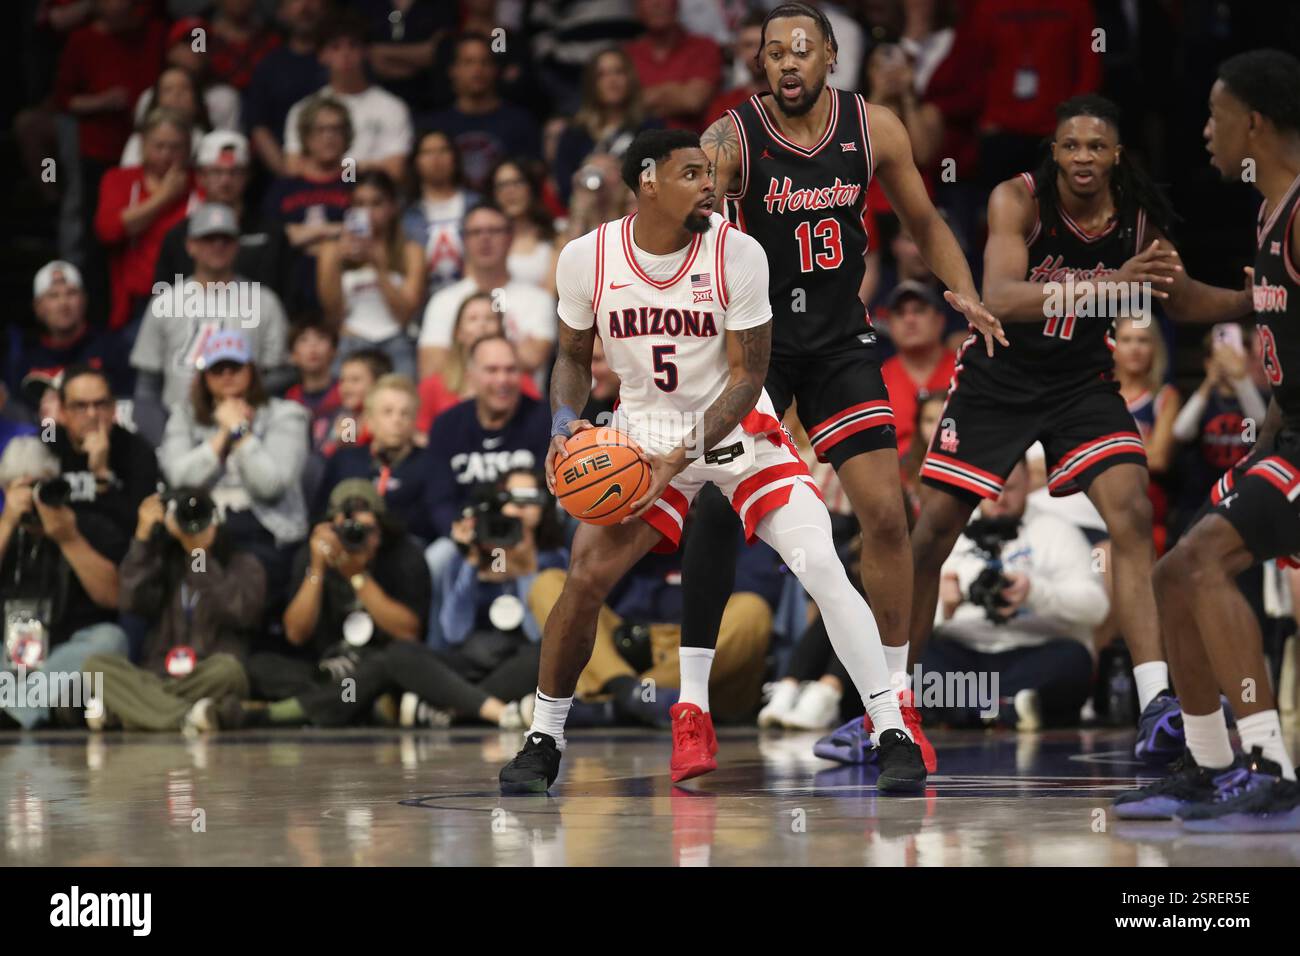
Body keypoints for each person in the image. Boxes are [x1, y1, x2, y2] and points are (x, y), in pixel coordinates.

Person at [497, 128, 927, 794]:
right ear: (648, 182)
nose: (710, 185)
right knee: (583, 577)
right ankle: (543, 739)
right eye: (691, 173)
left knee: (820, 563)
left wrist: (682, 457)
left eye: (710, 172)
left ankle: (890, 728)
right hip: (640, 436)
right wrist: (564, 425)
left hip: (736, 434)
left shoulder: (739, 253)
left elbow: (749, 376)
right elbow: (574, 361)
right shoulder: (586, 257)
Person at [687, 1, 1006, 774]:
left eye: (803, 50)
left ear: (833, 56)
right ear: (758, 65)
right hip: (753, 349)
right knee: (715, 503)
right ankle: (691, 706)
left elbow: (925, 222)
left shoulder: (875, 128)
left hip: (836, 342)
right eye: (773, 53)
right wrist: (690, 195)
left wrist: (963, 289)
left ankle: (892, 709)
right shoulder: (732, 136)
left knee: (887, 515)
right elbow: (681, 203)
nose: (788, 63)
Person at [910, 93, 1255, 768]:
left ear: (1116, 154)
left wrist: (1245, 301)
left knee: (1130, 512)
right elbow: (1002, 295)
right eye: (1071, 146)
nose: (1083, 159)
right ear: (1055, 152)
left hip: (1078, 384)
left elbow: (1176, 296)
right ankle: (890, 707)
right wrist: (1110, 287)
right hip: (997, 381)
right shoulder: (1019, 199)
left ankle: (1159, 704)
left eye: (1097, 147)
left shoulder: (1136, 217)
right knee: (931, 534)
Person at [1114, 50, 1300, 831]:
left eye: (1215, 117)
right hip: (1288, 436)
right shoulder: (1270, 210)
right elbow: (1278, 304)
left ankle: (1269, 766)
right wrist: (1193, 300)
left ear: (1253, 123)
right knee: (1171, 575)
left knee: (1201, 561)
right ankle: (1210, 762)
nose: (1204, 133)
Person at [923, 461, 1106, 728]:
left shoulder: (1056, 530)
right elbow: (910, 620)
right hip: (964, 654)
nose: (999, 498)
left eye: (1009, 488)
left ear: (1029, 482)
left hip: (1032, 654)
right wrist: (942, 607)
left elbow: (1096, 607)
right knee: (915, 657)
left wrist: (1034, 592)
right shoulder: (950, 533)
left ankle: (971, 709)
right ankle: (1007, 707)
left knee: (1075, 659)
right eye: (990, 489)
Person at [82, 490, 263, 733]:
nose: (193, 526)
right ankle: (188, 716)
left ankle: (127, 711)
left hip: (208, 672)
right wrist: (143, 538)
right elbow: (130, 600)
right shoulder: (163, 561)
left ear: (217, 522)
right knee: (95, 666)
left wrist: (198, 553)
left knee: (229, 670)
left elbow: (237, 611)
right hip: (159, 673)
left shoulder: (243, 564)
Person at [242, 480, 429, 712]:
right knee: (259, 666)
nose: (355, 537)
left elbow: (408, 632)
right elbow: (296, 634)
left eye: (365, 530)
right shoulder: (314, 556)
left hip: (378, 663)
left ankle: (295, 711)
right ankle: (356, 705)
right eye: (346, 530)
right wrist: (317, 569)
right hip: (325, 668)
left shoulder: (403, 555)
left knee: (394, 664)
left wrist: (357, 576)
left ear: (381, 530)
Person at [157, 330, 309, 611]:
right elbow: (179, 479)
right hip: (201, 526)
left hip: (263, 531)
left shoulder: (286, 415)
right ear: (204, 378)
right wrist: (221, 437)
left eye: (235, 367)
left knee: (241, 586)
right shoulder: (185, 417)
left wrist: (241, 433)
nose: (227, 375)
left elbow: (270, 486)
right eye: (217, 369)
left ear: (251, 370)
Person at [131, 202, 289, 446]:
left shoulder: (264, 301)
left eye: (226, 239)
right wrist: (162, 442)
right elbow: (147, 387)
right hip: (180, 431)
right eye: (208, 238)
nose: (218, 246)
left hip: (248, 430)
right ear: (190, 245)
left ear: (237, 245)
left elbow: (278, 376)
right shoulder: (165, 302)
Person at [0, 436, 129, 730]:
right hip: (9, 659)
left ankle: (14, 712)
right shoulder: (3, 528)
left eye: (40, 486)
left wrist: (68, 539)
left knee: (111, 640)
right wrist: (7, 523)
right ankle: (32, 708)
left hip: (65, 656)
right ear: (6, 491)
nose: (33, 498)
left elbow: (112, 597)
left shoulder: (86, 525)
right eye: (23, 488)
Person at [425, 336, 550, 540]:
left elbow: (553, 497)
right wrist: (459, 531)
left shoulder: (545, 420)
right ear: (470, 376)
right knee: (437, 558)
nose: (502, 380)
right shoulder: (446, 425)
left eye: (510, 370)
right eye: (492, 370)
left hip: (534, 538)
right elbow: (439, 499)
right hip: (466, 537)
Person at [416, 203, 557, 381]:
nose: (485, 238)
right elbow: (430, 369)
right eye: (476, 232)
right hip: (457, 404)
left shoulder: (539, 300)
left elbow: (534, 358)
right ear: (464, 241)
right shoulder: (442, 301)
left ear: (510, 238)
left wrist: (466, 345)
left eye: (494, 230)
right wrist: (514, 346)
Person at [94, 107, 200, 334]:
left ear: (189, 148)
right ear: (142, 145)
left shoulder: (200, 183)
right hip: (138, 302)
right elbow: (108, 230)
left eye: (175, 147)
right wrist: (164, 196)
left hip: (193, 300)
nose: (166, 155)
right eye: (158, 146)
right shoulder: (119, 180)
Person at [153, 131, 292, 301]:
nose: (225, 181)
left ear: (247, 177)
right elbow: (162, 302)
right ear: (200, 177)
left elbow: (286, 300)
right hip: (190, 323)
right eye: (216, 172)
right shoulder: (179, 236)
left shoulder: (272, 233)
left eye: (235, 172)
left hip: (257, 321)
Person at [316, 171, 425, 380]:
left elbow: (405, 314)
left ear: (392, 207)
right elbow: (332, 313)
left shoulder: (411, 251)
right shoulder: (332, 250)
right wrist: (336, 260)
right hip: (351, 341)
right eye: (360, 204)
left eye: (377, 203)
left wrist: (378, 267)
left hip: (396, 341)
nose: (368, 211)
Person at [282, 12, 412, 183]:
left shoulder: (392, 107)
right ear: (322, 55)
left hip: (373, 199)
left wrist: (338, 169)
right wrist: (358, 168)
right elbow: (293, 168)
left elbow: (395, 171)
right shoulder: (304, 110)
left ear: (366, 52)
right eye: (335, 47)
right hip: (319, 199)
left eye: (353, 46)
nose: (345, 54)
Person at [261, 95, 356, 311]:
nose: (328, 137)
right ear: (306, 136)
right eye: (320, 130)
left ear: (347, 135)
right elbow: (276, 238)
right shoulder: (285, 187)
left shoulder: (353, 183)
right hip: (290, 291)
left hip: (344, 294)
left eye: (336, 129)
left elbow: (360, 234)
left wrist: (305, 236)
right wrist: (333, 231)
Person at [315, 374, 435, 542]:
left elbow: (435, 523)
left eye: (405, 413)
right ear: (369, 420)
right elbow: (320, 516)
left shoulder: (431, 464)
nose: (397, 420)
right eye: (388, 412)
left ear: (415, 420)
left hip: (406, 551)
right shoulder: (344, 461)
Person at [419, 32, 542, 192]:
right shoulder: (434, 126)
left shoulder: (520, 122)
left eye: (485, 62)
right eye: (468, 62)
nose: (477, 70)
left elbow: (535, 173)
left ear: (495, 70)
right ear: (453, 70)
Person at [51, 364, 159, 540]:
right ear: (62, 412)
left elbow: (141, 528)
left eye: (100, 404)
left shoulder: (137, 451)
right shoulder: (48, 445)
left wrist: (101, 474)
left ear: (114, 408)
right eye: (80, 406)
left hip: (118, 557)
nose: (92, 414)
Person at [6, 261, 128, 407]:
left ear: (84, 300)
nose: (63, 303)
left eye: (71, 293)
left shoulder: (112, 349)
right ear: (37, 307)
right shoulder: (25, 362)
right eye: (53, 296)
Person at [553, 47, 660, 207]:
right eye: (602, 75)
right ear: (592, 83)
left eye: (618, 72)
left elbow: (661, 181)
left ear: (629, 78)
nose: (612, 80)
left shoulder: (651, 129)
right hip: (590, 217)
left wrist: (618, 172)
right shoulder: (574, 134)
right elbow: (565, 191)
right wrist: (587, 171)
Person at [244, 0, 329, 178]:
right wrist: (287, 173)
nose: (305, 6)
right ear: (282, 11)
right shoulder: (269, 67)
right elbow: (259, 127)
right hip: (285, 172)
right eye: (295, 1)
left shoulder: (339, 62)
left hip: (341, 173)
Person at [880, 281, 956, 460]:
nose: (909, 319)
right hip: (897, 482)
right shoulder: (876, 380)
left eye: (919, 310)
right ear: (890, 326)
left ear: (940, 320)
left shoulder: (965, 371)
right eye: (900, 313)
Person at [402, 129, 481, 297]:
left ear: (455, 158)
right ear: (416, 161)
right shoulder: (405, 214)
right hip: (421, 306)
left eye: (443, 150)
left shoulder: (477, 205)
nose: (436, 158)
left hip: (473, 301)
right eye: (427, 152)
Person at [623, 0, 722, 132]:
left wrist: (644, 98)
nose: (656, 4)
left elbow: (693, 101)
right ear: (636, 8)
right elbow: (623, 107)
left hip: (693, 144)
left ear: (677, 4)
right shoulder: (627, 54)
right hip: (637, 145)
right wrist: (676, 90)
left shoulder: (704, 47)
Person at [487, 157, 559, 295]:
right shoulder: (484, 237)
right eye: (502, 185)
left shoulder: (555, 236)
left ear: (530, 187)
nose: (510, 191)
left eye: (517, 182)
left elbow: (553, 291)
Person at [119, 64, 211, 167]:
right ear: (157, 100)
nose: (177, 94)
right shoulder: (138, 140)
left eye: (185, 88)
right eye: (168, 90)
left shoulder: (209, 141)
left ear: (197, 99)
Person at [284, 318, 341, 452]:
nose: (313, 347)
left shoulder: (347, 393)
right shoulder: (289, 400)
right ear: (293, 355)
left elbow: (350, 445)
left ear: (334, 351)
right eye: (304, 340)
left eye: (321, 338)